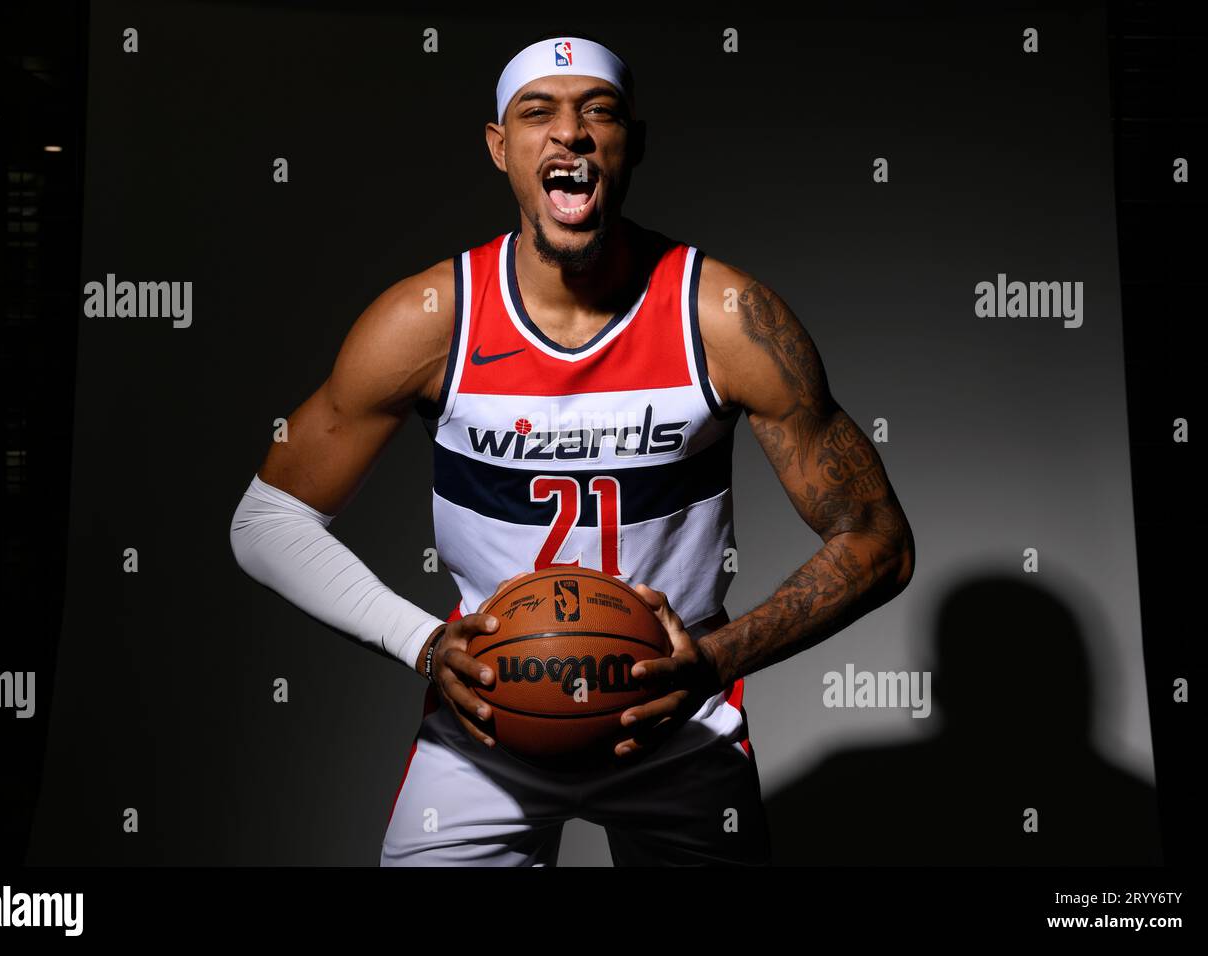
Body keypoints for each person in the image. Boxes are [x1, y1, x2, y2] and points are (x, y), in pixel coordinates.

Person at [230, 31, 915, 866]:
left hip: (680, 726)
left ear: (633, 144)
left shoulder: (726, 320)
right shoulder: (431, 320)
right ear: (500, 147)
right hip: (487, 730)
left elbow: (878, 540)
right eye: (537, 113)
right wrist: (419, 640)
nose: (570, 134)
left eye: (600, 112)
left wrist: (714, 661)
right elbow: (266, 520)